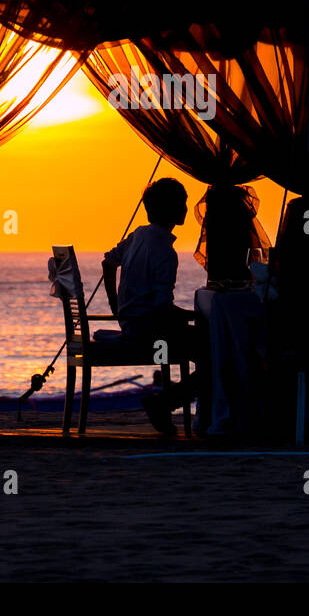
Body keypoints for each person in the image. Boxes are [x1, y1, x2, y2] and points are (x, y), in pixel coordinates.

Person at [102, 177, 208, 435]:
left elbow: (108, 263)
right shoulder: (165, 253)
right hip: (148, 331)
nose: (185, 209)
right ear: (169, 209)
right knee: (215, 352)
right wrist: (198, 316)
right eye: (181, 204)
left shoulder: (139, 235)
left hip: (132, 324)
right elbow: (162, 310)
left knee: (207, 346)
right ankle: (165, 404)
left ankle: (168, 401)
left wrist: (117, 308)